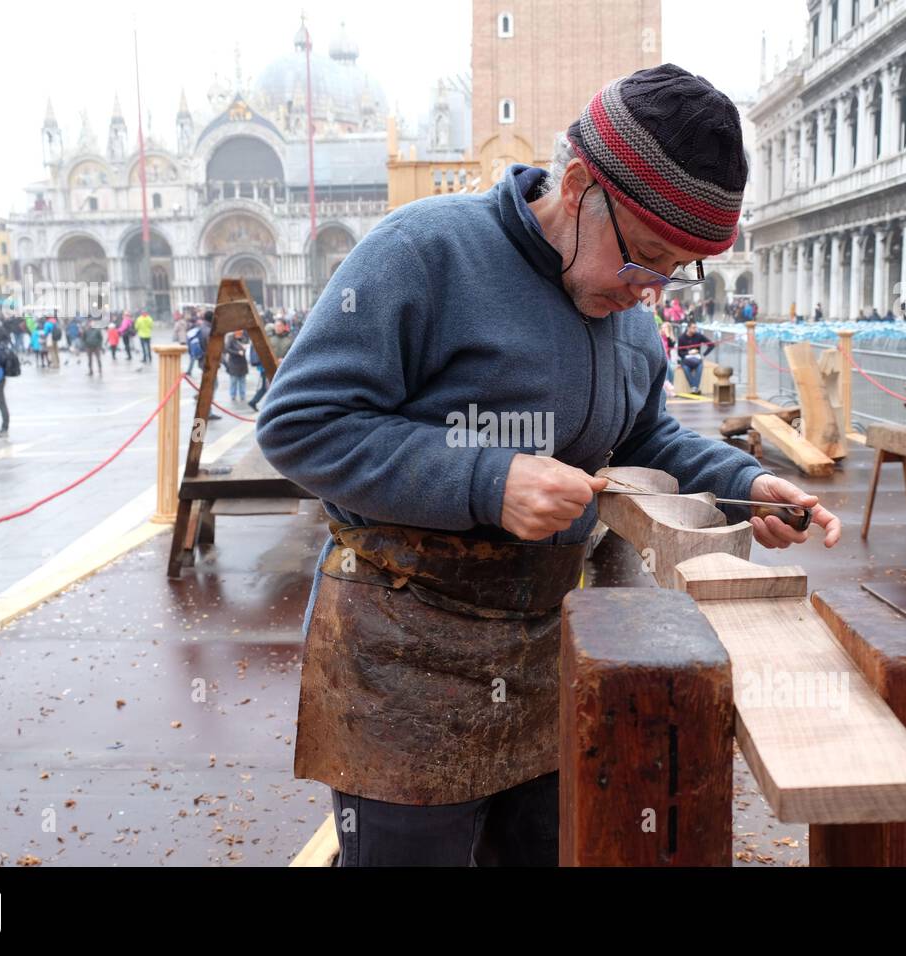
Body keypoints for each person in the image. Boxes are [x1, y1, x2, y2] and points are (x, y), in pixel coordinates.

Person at [255, 64, 841, 867]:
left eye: (676, 270)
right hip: (404, 652)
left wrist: (741, 482)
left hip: (551, 646)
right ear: (576, 187)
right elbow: (299, 424)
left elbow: (640, 443)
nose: (652, 290)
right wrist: (485, 482)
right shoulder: (423, 252)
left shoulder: (631, 316)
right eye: (644, 257)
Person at [677, 319, 707, 394]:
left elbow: (711, 344)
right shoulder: (681, 338)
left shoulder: (699, 336)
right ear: (688, 328)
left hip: (697, 360)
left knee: (700, 367)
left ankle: (694, 388)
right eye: (693, 327)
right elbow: (679, 353)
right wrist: (689, 352)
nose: (695, 329)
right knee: (686, 369)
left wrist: (704, 355)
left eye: (696, 327)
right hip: (686, 361)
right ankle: (695, 387)